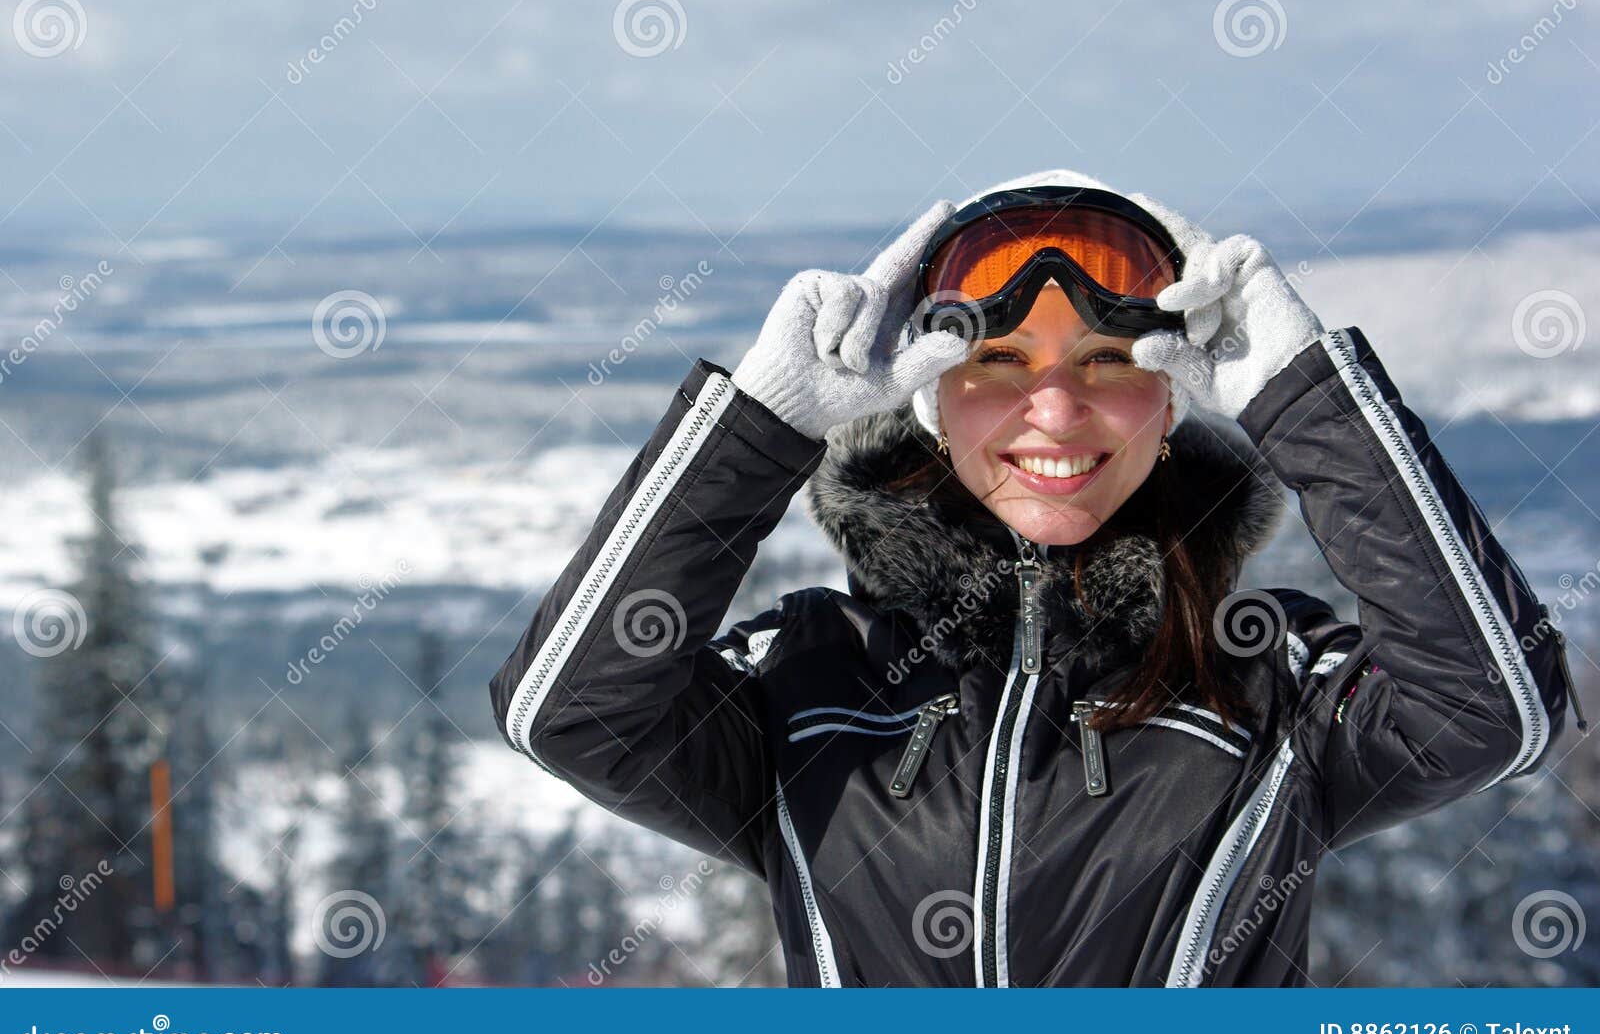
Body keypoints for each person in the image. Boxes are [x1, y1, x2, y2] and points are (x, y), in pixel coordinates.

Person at [488, 167, 1583, 987]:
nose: (1053, 415)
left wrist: (1300, 394)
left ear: (1172, 402)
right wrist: (765, 421)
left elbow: (1494, 710)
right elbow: (569, 712)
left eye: (1108, 366)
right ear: (928, 400)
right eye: (994, 367)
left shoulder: (1265, 676)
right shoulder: (812, 678)